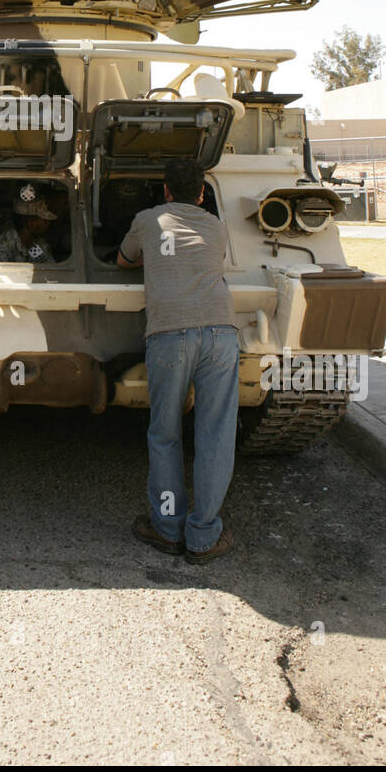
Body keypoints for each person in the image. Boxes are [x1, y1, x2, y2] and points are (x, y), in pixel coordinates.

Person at [117, 157, 239, 563]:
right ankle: (203, 535)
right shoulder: (217, 226)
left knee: (165, 433)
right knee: (215, 435)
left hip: (170, 336)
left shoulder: (148, 219)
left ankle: (167, 527)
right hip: (221, 333)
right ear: (203, 194)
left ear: (165, 190)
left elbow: (123, 259)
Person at [0, 184, 57, 263]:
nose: (48, 224)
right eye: (45, 221)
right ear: (31, 224)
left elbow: (48, 265)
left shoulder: (36, 244)